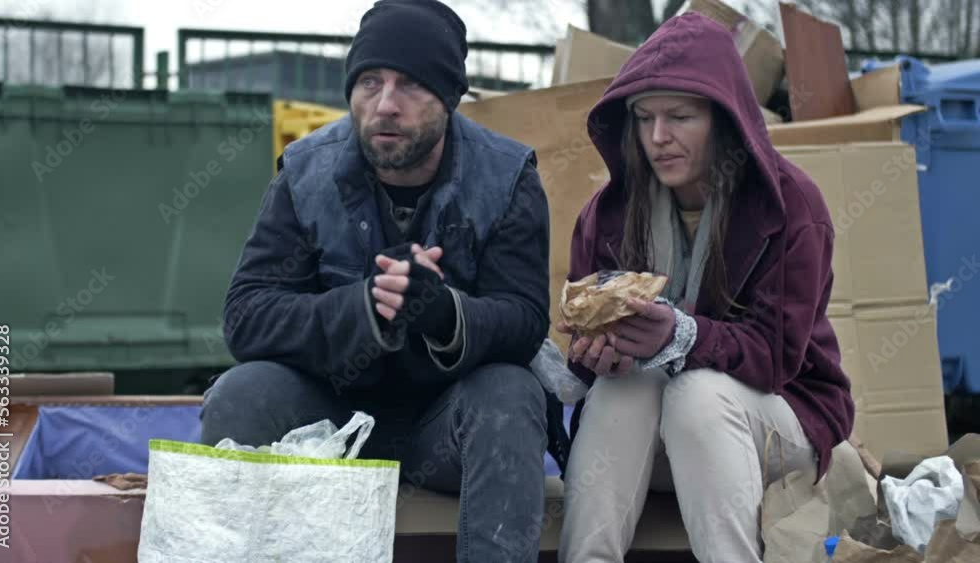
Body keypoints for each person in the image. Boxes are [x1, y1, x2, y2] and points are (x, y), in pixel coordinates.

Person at [200, 1, 562, 561]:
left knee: (512, 392)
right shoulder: (304, 173)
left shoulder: (507, 177)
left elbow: (524, 319)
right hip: (332, 420)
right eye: (370, 82)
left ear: (448, 97)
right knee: (240, 393)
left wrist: (445, 313)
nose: (386, 105)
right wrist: (364, 309)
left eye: (411, 85)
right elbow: (247, 317)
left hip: (446, 434)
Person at [556, 12, 856, 563]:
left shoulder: (791, 207)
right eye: (643, 119)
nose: (657, 138)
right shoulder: (610, 213)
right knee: (624, 387)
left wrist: (681, 336)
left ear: (725, 119)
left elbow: (775, 359)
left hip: (779, 422)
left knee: (697, 394)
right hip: (652, 439)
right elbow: (582, 364)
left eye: (680, 117)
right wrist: (596, 354)